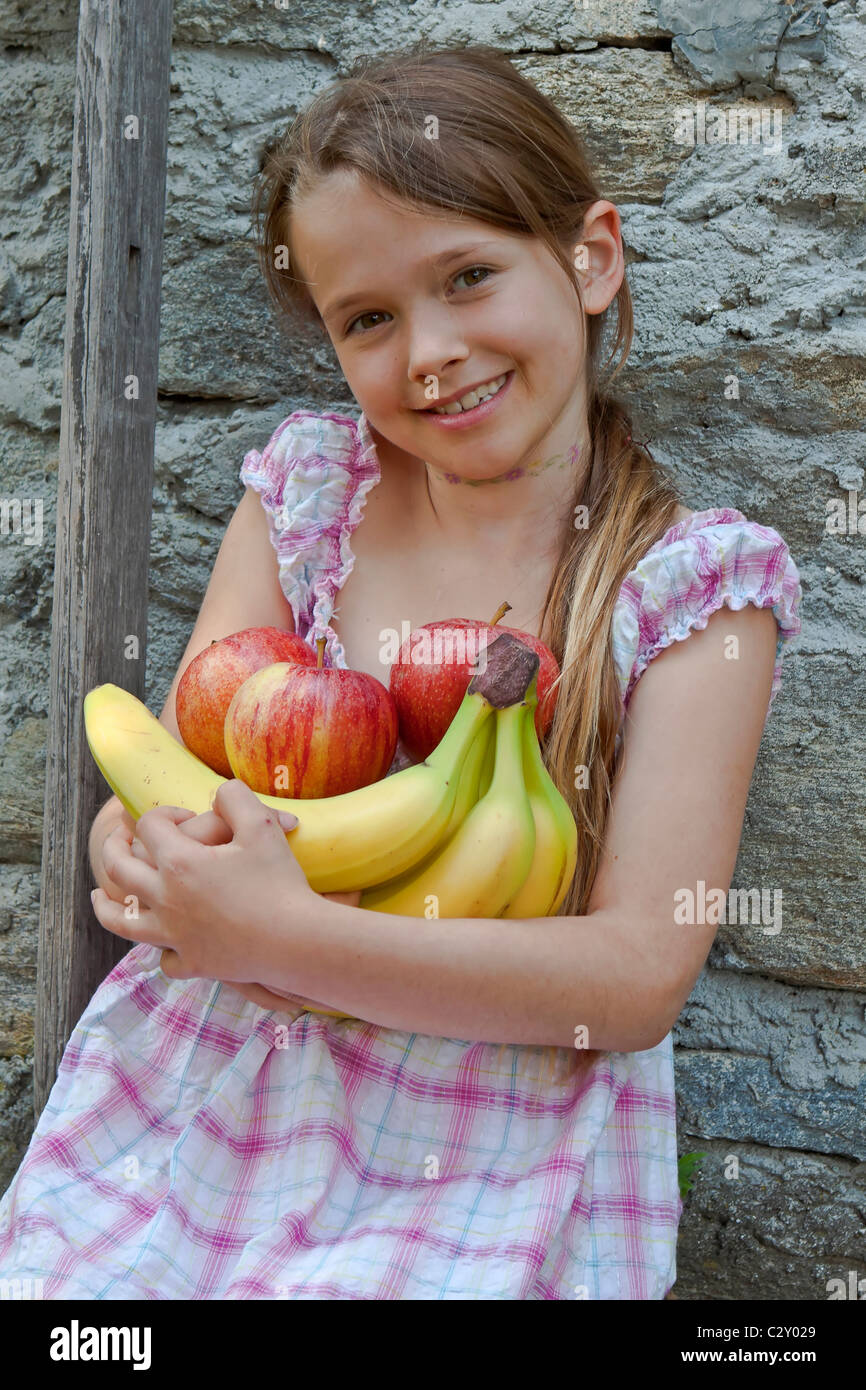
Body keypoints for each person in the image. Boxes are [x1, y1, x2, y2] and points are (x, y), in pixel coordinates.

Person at [0, 41, 801, 1300]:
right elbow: (183, 777)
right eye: (367, 318)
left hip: (490, 1130)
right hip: (214, 1075)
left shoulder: (691, 590)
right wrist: (134, 847)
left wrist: (289, 934)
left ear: (590, 258)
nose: (428, 351)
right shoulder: (308, 499)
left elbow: (638, 975)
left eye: (468, 276)